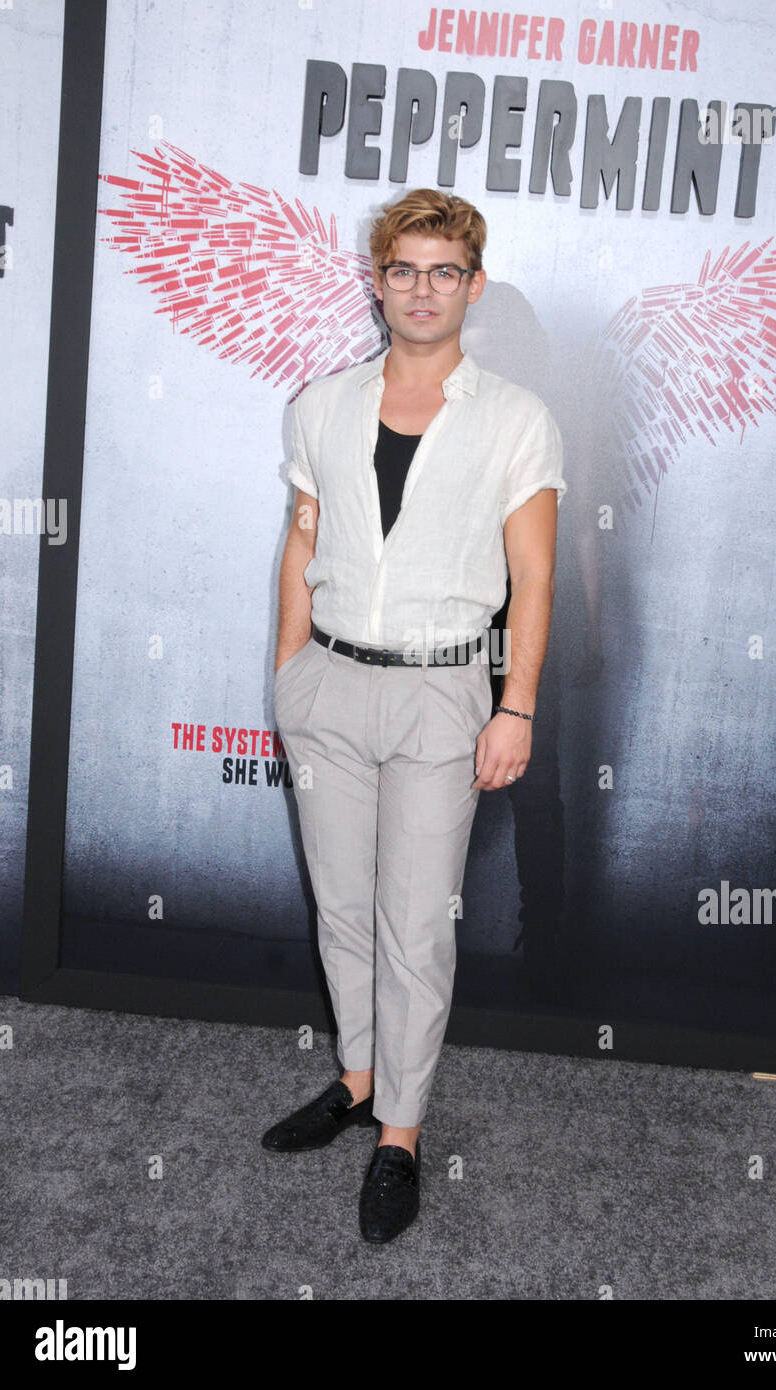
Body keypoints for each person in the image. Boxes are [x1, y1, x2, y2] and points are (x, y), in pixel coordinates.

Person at [262, 188, 567, 1243]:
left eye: (444, 271)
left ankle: (400, 1131)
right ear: (376, 280)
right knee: (340, 904)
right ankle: (354, 1076)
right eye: (403, 269)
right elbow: (303, 542)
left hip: (445, 691)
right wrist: (286, 672)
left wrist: (512, 704)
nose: (421, 288)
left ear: (471, 287)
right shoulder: (321, 405)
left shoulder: (516, 420)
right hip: (328, 686)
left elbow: (533, 580)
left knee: (413, 925)